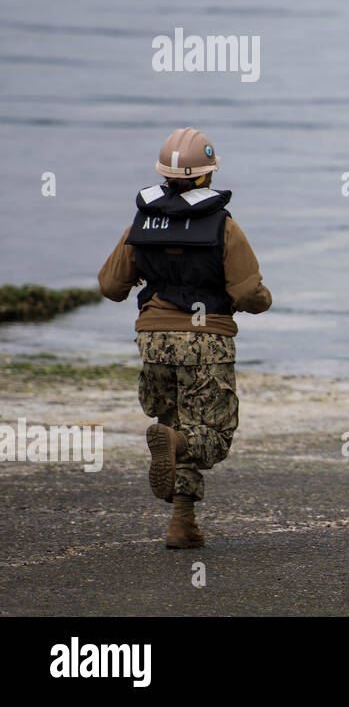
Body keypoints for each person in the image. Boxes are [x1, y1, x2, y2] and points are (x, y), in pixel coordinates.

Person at [98, 128, 272, 548]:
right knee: (212, 434)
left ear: (164, 175)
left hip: (154, 339)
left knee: (172, 420)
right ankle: (175, 444)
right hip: (204, 339)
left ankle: (182, 523)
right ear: (208, 175)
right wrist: (261, 301)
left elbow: (110, 284)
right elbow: (247, 293)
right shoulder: (223, 226)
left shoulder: (143, 222)